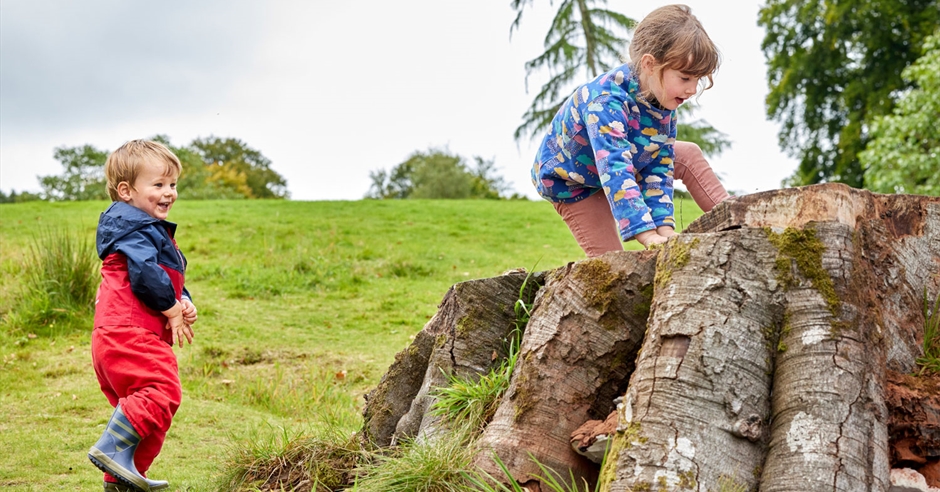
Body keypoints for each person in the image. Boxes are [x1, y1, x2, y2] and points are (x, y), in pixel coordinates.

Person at [532, 4, 728, 257]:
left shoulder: (663, 99)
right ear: (650, 64)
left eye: (698, 80)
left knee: (686, 154)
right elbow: (615, 167)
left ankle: (737, 219)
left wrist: (664, 228)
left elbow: (659, 163)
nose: (692, 89)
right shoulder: (605, 102)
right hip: (571, 181)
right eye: (685, 78)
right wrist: (646, 233)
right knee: (611, 263)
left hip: (628, 155)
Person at [87, 139, 197, 492]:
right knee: (162, 389)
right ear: (126, 190)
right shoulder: (133, 228)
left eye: (173, 184)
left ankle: (121, 478)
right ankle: (109, 449)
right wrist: (171, 309)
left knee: (153, 414)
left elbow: (162, 275)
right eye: (159, 184)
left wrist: (182, 299)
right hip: (130, 333)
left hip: (119, 335)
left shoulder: (140, 229)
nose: (169, 193)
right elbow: (146, 274)